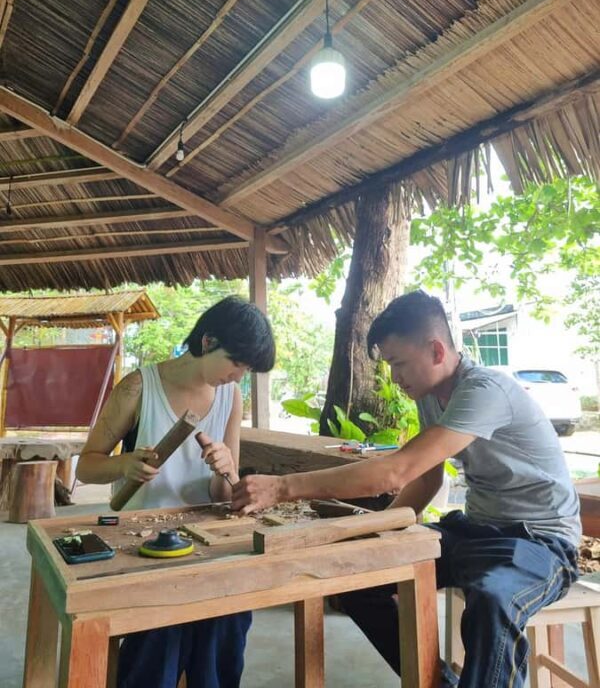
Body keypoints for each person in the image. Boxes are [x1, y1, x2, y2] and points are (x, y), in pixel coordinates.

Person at [231, 290, 580, 688]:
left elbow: (397, 471)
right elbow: (426, 477)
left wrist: (282, 487)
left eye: (398, 363)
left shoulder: (484, 390)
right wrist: (378, 536)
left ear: (435, 350)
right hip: (477, 531)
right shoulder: (432, 397)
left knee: (492, 600)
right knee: (358, 578)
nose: (395, 378)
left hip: (540, 542)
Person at [77, 296, 275, 688]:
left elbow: (226, 494)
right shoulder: (139, 387)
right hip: (143, 544)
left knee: (227, 631)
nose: (238, 376)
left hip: (207, 542)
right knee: (156, 651)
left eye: (247, 369)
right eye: (236, 363)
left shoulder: (229, 396)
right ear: (207, 341)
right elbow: (86, 465)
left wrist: (226, 470)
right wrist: (124, 464)